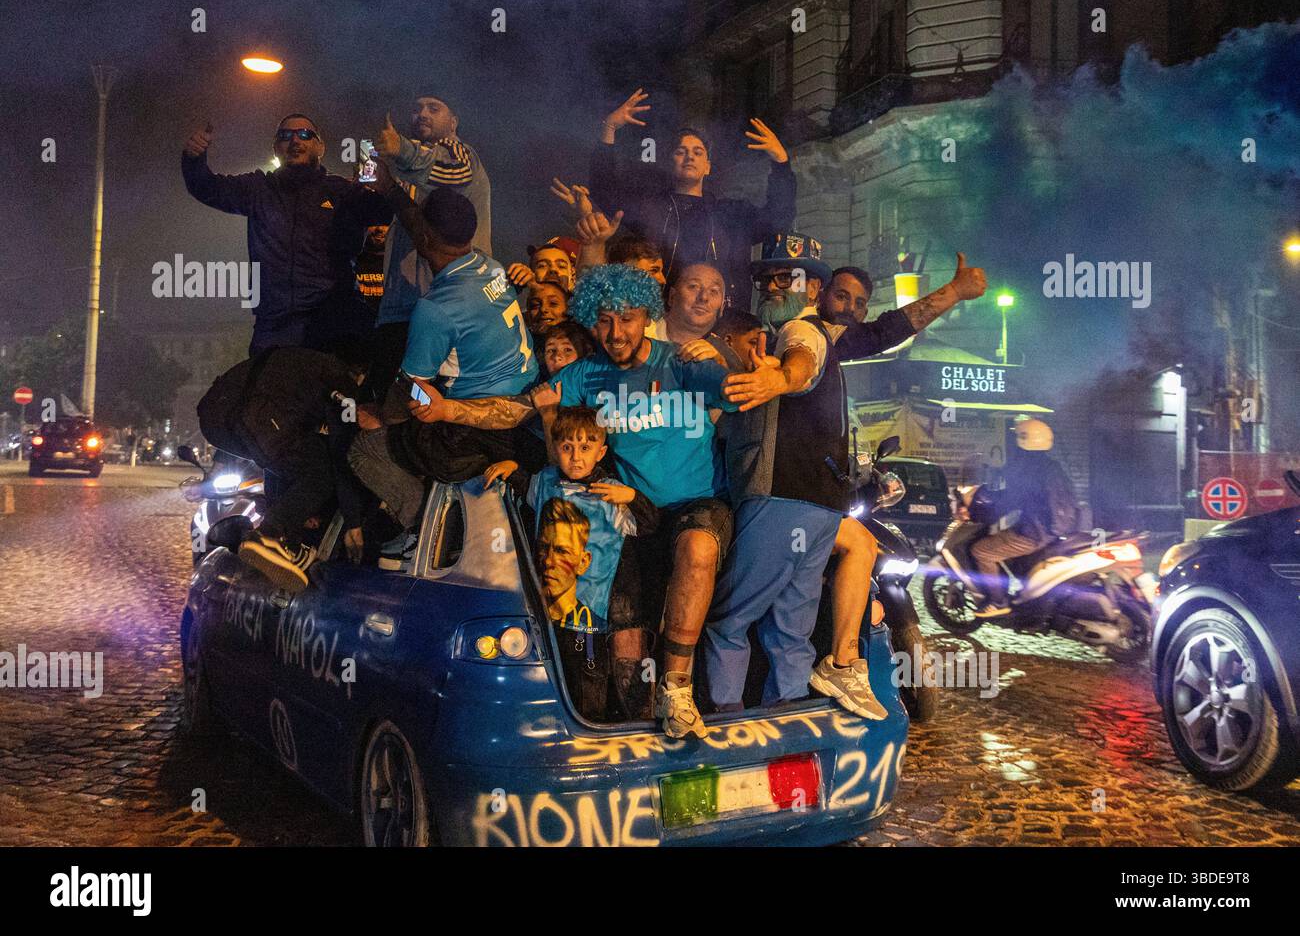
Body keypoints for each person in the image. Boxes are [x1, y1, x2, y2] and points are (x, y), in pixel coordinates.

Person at [403, 264, 740, 737]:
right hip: (625, 517)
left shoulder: (679, 361)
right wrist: (447, 409)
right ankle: (626, 730)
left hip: (695, 504)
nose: (616, 332)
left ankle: (677, 689)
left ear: (647, 315)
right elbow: (515, 410)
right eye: (604, 320)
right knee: (626, 635)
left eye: (627, 318)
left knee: (698, 547)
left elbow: (735, 387)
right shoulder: (585, 374)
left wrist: (752, 364)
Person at [705, 232, 987, 716]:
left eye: (789, 278)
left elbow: (803, 361)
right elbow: (882, 332)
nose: (776, 286)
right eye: (768, 277)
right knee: (789, 630)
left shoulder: (804, 331)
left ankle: (731, 726)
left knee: (729, 622)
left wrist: (778, 378)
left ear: (813, 291)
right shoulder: (780, 336)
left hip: (781, 498)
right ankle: (790, 719)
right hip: (817, 507)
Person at [347, 168, 540, 568]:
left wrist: (383, 416)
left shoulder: (435, 309)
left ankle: (423, 526)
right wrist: (390, 188)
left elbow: (412, 386)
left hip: (472, 436)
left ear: (425, 240)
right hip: (522, 415)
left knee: (365, 447)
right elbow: (421, 223)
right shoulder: (490, 266)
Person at [484, 405, 658, 720]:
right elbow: (526, 486)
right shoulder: (547, 480)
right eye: (567, 448)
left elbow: (649, 527)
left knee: (589, 689)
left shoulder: (612, 492)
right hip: (547, 613)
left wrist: (633, 498)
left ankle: (598, 745)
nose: (575, 457)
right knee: (553, 684)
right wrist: (513, 467)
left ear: (601, 451)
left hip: (590, 615)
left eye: (585, 448)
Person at [181, 114, 389, 355]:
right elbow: (206, 187)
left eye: (304, 135)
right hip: (274, 324)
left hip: (332, 320)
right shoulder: (257, 189)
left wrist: (384, 175)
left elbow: (382, 211)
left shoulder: (340, 191)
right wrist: (193, 159)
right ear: (275, 148)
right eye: (285, 136)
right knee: (265, 389)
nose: (295, 141)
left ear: (320, 147)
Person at [590, 87, 795, 304]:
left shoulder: (730, 214)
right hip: (663, 319)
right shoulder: (651, 208)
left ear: (707, 167)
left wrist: (781, 163)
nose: (689, 157)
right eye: (681, 151)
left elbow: (778, 219)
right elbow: (606, 193)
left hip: (722, 322)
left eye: (698, 152)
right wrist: (609, 128)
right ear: (671, 163)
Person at [196, 345, 369, 591]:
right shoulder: (341, 379)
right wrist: (353, 521)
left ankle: (286, 541)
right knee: (323, 471)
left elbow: (249, 409)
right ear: (359, 372)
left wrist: (219, 463)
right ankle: (270, 536)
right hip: (260, 420)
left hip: (214, 419)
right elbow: (343, 450)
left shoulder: (294, 359)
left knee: (286, 458)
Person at [366, 95, 492, 398]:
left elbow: (451, 171)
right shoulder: (411, 168)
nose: (422, 114)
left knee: (425, 412)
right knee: (381, 405)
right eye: (417, 108)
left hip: (448, 310)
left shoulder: (460, 155)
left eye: (434, 108)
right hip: (401, 309)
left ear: (453, 121)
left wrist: (401, 150)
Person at [969, 418, 1079, 618]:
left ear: (1022, 442)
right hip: (1052, 529)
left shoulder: (1029, 470)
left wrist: (986, 509)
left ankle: (998, 601)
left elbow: (1010, 501)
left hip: (1033, 533)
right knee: (1002, 539)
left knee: (982, 551)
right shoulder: (1052, 467)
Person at [507, 237, 580, 292]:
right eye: (542, 266)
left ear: (573, 273)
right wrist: (508, 290)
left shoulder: (587, 309)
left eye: (561, 266)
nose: (552, 269)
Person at [524, 278, 571, 343]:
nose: (543, 309)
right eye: (535, 305)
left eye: (553, 303)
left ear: (568, 309)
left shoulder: (583, 345)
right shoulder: (518, 347)